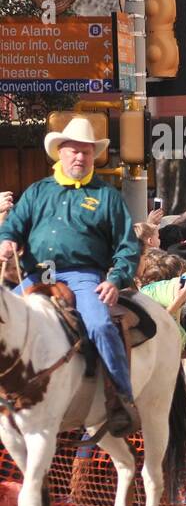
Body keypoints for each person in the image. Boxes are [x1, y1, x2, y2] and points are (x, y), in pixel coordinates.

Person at [0, 117, 141, 435]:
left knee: (102, 325)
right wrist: (6, 241)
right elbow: (13, 226)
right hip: (35, 276)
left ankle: (120, 398)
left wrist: (115, 280)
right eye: (74, 151)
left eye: (87, 152)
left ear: (94, 156)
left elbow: (128, 246)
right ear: (60, 153)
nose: (80, 157)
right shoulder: (37, 192)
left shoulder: (107, 197)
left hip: (82, 276)